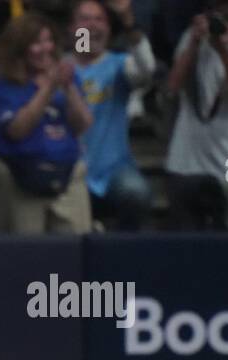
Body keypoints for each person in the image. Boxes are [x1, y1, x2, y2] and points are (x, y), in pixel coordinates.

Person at [0, 12, 93, 234]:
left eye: (48, 40)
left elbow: (82, 124)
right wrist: (48, 89)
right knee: (29, 256)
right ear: (19, 48)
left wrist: (70, 87)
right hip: (19, 179)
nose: (45, 48)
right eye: (36, 42)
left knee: (72, 255)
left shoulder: (65, 75)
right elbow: (16, 130)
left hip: (66, 178)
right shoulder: (3, 83)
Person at [164, 0, 228, 230]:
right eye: (223, 10)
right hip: (186, 157)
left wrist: (223, 50)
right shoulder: (192, 38)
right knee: (185, 235)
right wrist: (194, 43)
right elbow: (172, 86)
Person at [71, 0, 154, 230]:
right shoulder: (61, 67)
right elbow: (81, 52)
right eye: (84, 19)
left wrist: (129, 22)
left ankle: (121, 253)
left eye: (99, 19)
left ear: (108, 28)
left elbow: (147, 68)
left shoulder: (119, 64)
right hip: (70, 169)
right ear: (72, 27)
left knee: (137, 193)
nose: (91, 25)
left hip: (113, 171)